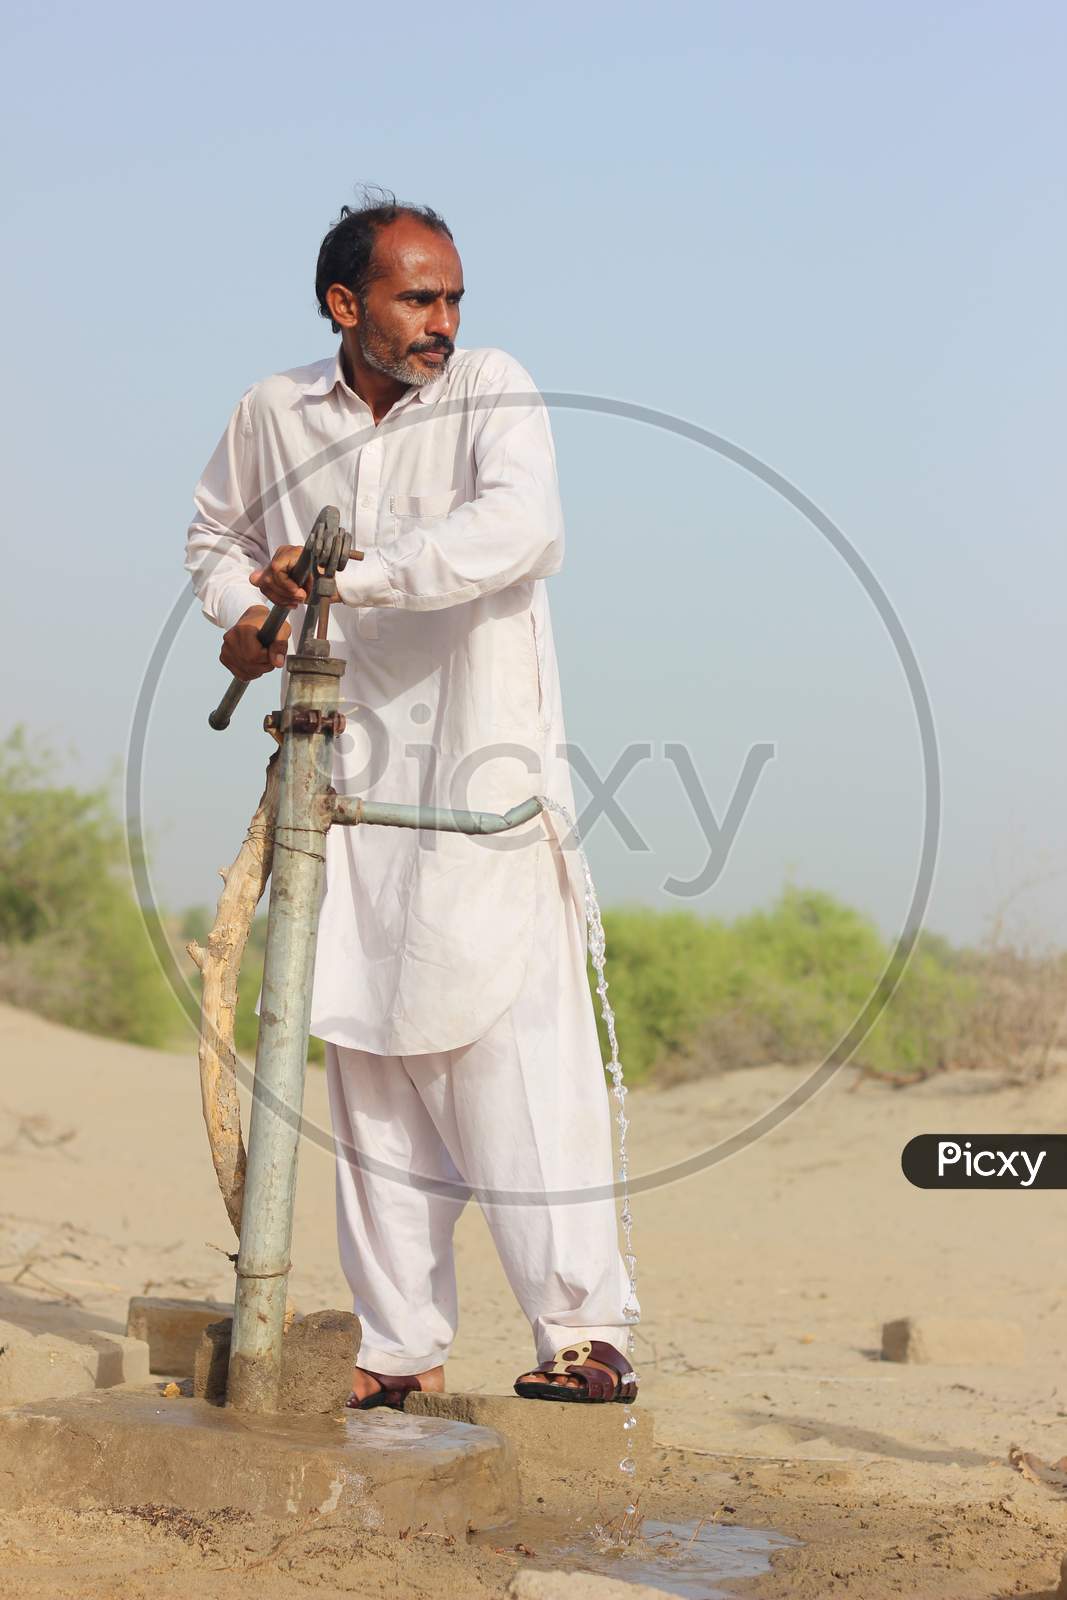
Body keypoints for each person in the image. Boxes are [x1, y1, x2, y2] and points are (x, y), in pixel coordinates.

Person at [185, 193, 637, 1408]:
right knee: (366, 1055)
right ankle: (396, 1352)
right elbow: (213, 537)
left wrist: (350, 577)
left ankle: (584, 1334)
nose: (441, 320)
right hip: (342, 786)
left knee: (511, 1053)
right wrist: (245, 614)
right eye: (414, 298)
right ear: (345, 306)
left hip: (482, 780)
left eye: (450, 298)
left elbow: (519, 532)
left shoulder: (492, 384)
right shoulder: (270, 411)